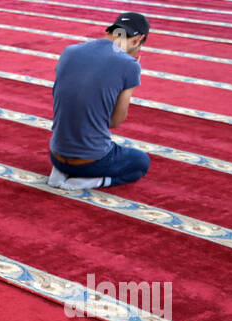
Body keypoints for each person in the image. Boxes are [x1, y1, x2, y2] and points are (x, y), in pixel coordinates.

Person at [47, 12, 153, 190]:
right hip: (91, 161)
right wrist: (131, 81)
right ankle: (94, 181)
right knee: (141, 162)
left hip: (56, 154)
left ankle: (59, 172)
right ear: (137, 40)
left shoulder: (70, 51)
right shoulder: (129, 65)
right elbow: (115, 121)